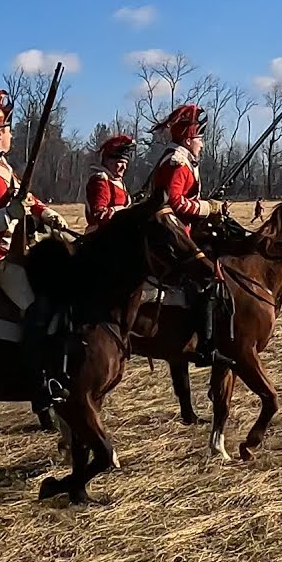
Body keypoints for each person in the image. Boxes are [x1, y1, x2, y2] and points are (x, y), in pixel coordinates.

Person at [0, 88, 69, 408]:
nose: (11, 134)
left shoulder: (2, 167)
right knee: (36, 310)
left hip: (19, 251)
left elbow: (25, 198)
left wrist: (45, 213)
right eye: (7, 130)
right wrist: (6, 215)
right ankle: (39, 384)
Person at [148, 104, 230, 367]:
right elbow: (174, 202)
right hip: (171, 236)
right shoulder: (177, 162)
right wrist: (207, 208)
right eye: (199, 138)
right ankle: (205, 346)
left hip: (179, 231)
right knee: (204, 278)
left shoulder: (182, 160)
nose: (202, 144)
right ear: (188, 139)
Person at [84, 135, 135, 234]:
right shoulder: (101, 181)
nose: (124, 167)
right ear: (108, 162)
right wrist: (125, 212)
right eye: (120, 162)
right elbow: (99, 215)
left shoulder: (118, 182)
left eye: (126, 163)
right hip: (101, 236)